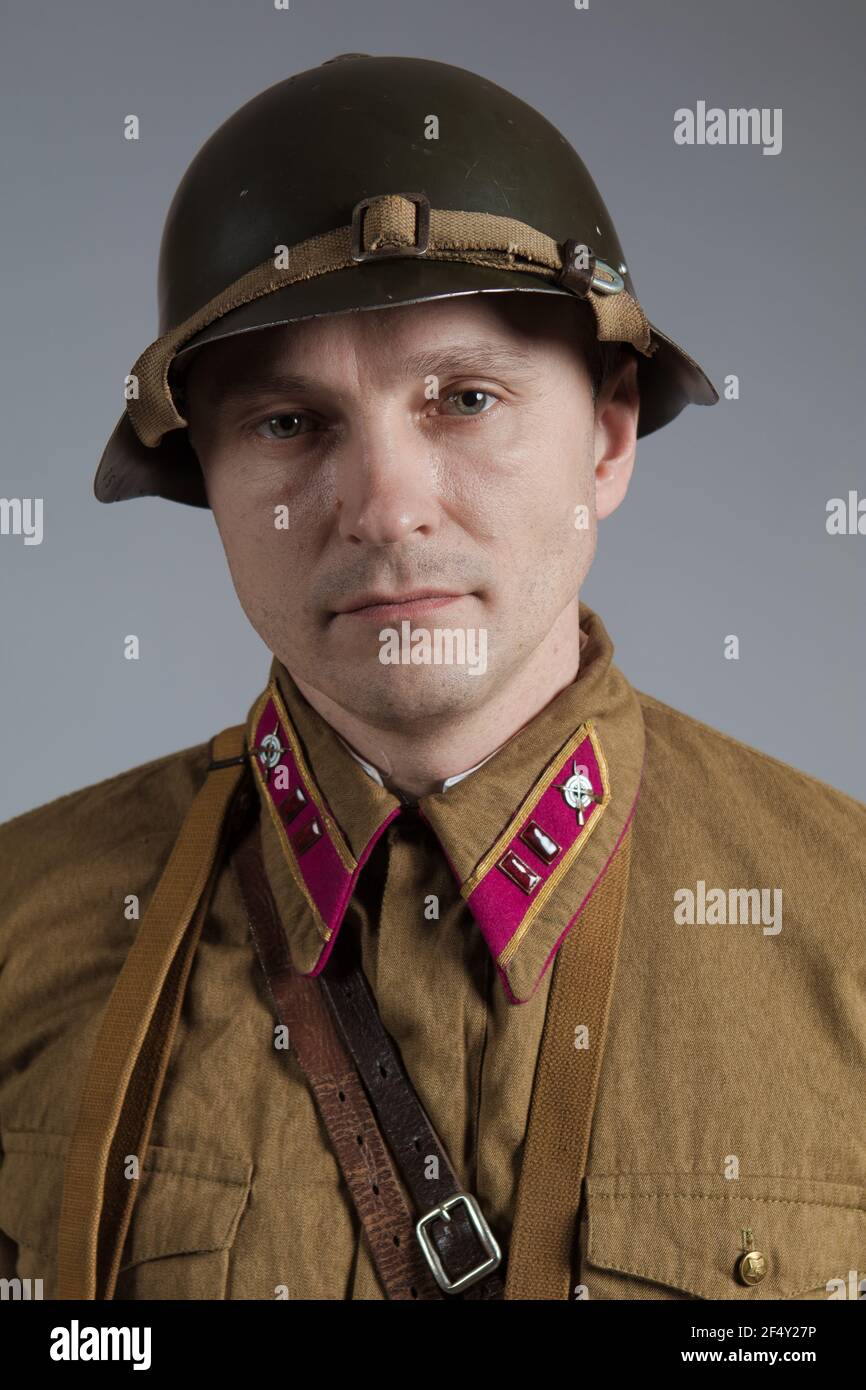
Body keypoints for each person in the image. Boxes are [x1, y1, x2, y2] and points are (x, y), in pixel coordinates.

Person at [0, 54, 863, 1303]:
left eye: (462, 398)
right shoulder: (22, 933)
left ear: (608, 435)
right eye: (288, 425)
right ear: (210, 478)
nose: (385, 508)